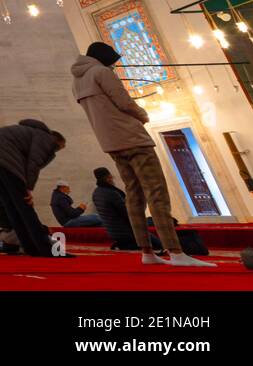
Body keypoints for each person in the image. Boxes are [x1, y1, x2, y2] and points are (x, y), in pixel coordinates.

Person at [72, 41, 214, 268]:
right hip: (133, 139)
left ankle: (147, 251)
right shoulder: (101, 72)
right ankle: (175, 251)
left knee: (134, 195)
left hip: (112, 143)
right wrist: (142, 115)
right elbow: (123, 102)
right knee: (157, 192)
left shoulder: (77, 81)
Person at [0, 119, 65, 257]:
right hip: (4, 158)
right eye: (58, 148)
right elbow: (34, 163)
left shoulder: (27, 133)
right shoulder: (46, 138)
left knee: (11, 206)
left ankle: (30, 248)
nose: (54, 152)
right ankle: (45, 250)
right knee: (25, 206)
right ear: (56, 141)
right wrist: (28, 188)